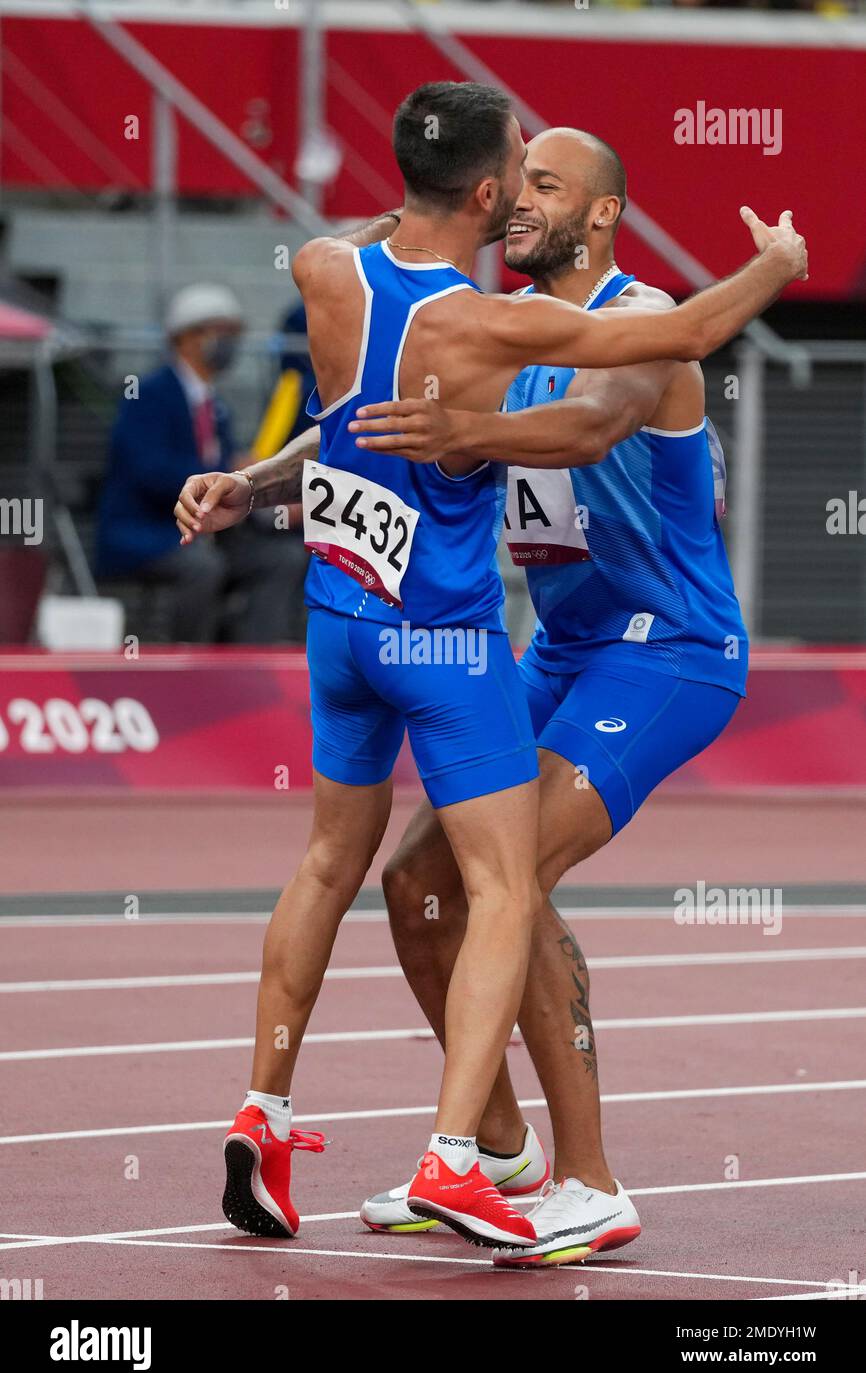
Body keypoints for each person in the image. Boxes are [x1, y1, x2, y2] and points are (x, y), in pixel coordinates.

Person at [174, 83, 806, 1253]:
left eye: (548, 187)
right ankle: (495, 1154)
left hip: (664, 652)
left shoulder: (631, 313)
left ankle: (591, 1177)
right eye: (515, 179)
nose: (522, 200)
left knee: (499, 883)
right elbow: (365, 413)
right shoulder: (483, 314)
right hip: (556, 646)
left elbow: (581, 427)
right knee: (415, 889)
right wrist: (257, 485)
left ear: (602, 214)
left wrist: (465, 436)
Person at [96, 283, 300, 643]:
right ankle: (190, 664)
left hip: (208, 531)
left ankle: (255, 662)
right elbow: (149, 471)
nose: (230, 343)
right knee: (203, 568)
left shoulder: (214, 404)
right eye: (221, 332)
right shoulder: (149, 394)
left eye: (234, 334)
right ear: (187, 337)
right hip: (148, 530)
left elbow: (222, 462)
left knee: (281, 558)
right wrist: (217, 477)